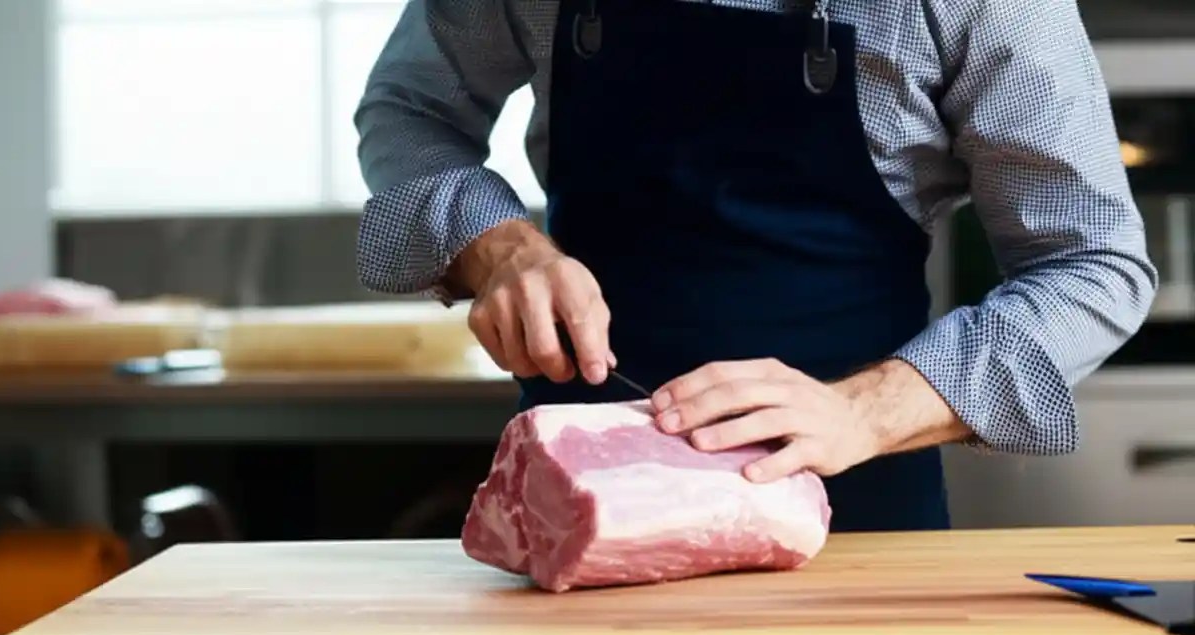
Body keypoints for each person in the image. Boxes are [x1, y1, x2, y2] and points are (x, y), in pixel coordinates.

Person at [353, 0, 1157, 532]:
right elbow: (411, 108)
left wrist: (867, 411)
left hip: (850, 515)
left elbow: (1092, 260)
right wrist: (500, 247)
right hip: (581, 506)